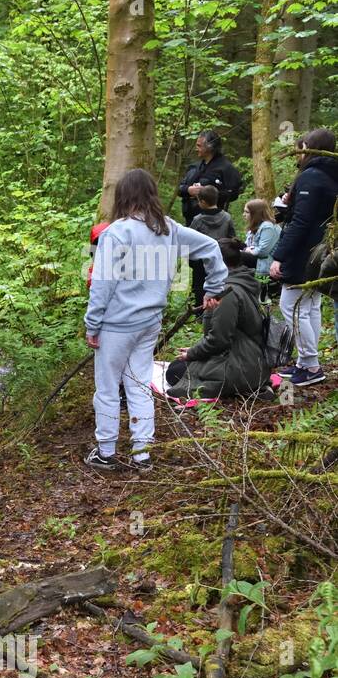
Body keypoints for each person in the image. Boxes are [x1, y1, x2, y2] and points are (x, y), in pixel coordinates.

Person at [85, 168, 229, 472]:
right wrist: (214, 287)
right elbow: (212, 247)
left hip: (116, 325)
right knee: (138, 385)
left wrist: (92, 324)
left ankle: (106, 452)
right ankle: (143, 454)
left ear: (123, 196)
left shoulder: (116, 233)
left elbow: (102, 284)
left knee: (108, 388)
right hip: (149, 323)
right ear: (151, 194)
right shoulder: (168, 229)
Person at [270, 127, 338, 388]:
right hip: (323, 251)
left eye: (301, 147)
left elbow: (301, 221)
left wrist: (280, 256)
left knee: (291, 305)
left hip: (306, 253)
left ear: (308, 147)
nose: (297, 153)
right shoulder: (330, 175)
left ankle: (310, 364)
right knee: (310, 306)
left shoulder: (311, 176)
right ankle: (306, 362)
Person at [166, 240, 272, 400]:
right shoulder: (242, 282)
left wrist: (192, 354)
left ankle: (244, 386)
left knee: (174, 372)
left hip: (241, 364)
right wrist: (196, 350)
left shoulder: (227, 293)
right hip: (251, 359)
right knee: (178, 367)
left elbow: (219, 340)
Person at [177, 129, 243, 226]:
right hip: (191, 222)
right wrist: (188, 190)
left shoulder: (226, 168)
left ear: (210, 147)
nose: (196, 148)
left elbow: (233, 193)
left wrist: (207, 193)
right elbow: (180, 188)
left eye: (199, 146)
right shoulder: (194, 167)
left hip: (214, 224)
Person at [188, 185, 236, 309]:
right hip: (221, 258)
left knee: (199, 286)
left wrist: (190, 261)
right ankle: (220, 308)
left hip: (200, 261)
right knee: (220, 283)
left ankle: (201, 311)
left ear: (203, 202)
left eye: (198, 201)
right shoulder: (227, 217)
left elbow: (189, 242)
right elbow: (232, 238)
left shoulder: (197, 220)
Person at [243, 198, 281, 302]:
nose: (243, 214)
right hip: (258, 262)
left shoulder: (267, 227)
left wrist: (249, 251)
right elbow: (247, 245)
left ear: (255, 214)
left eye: (247, 212)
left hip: (265, 265)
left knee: (240, 257)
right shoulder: (255, 227)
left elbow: (263, 251)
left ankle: (263, 297)